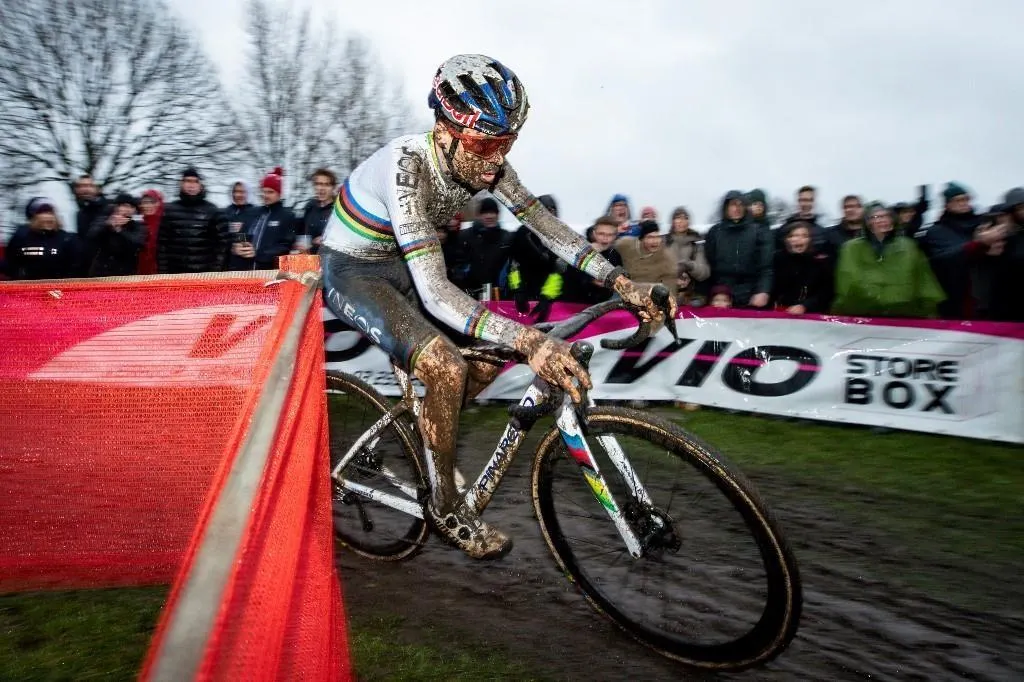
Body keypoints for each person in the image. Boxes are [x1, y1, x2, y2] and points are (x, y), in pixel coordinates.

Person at [318, 54, 670, 560]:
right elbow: (435, 291)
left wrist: (620, 280)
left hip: (400, 261)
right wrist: (531, 341)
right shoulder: (407, 167)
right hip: (354, 270)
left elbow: (547, 227)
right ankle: (446, 508)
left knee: (486, 358)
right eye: (485, 144)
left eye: (508, 142)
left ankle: (428, 430)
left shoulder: (487, 163)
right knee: (446, 367)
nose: (495, 159)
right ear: (445, 131)